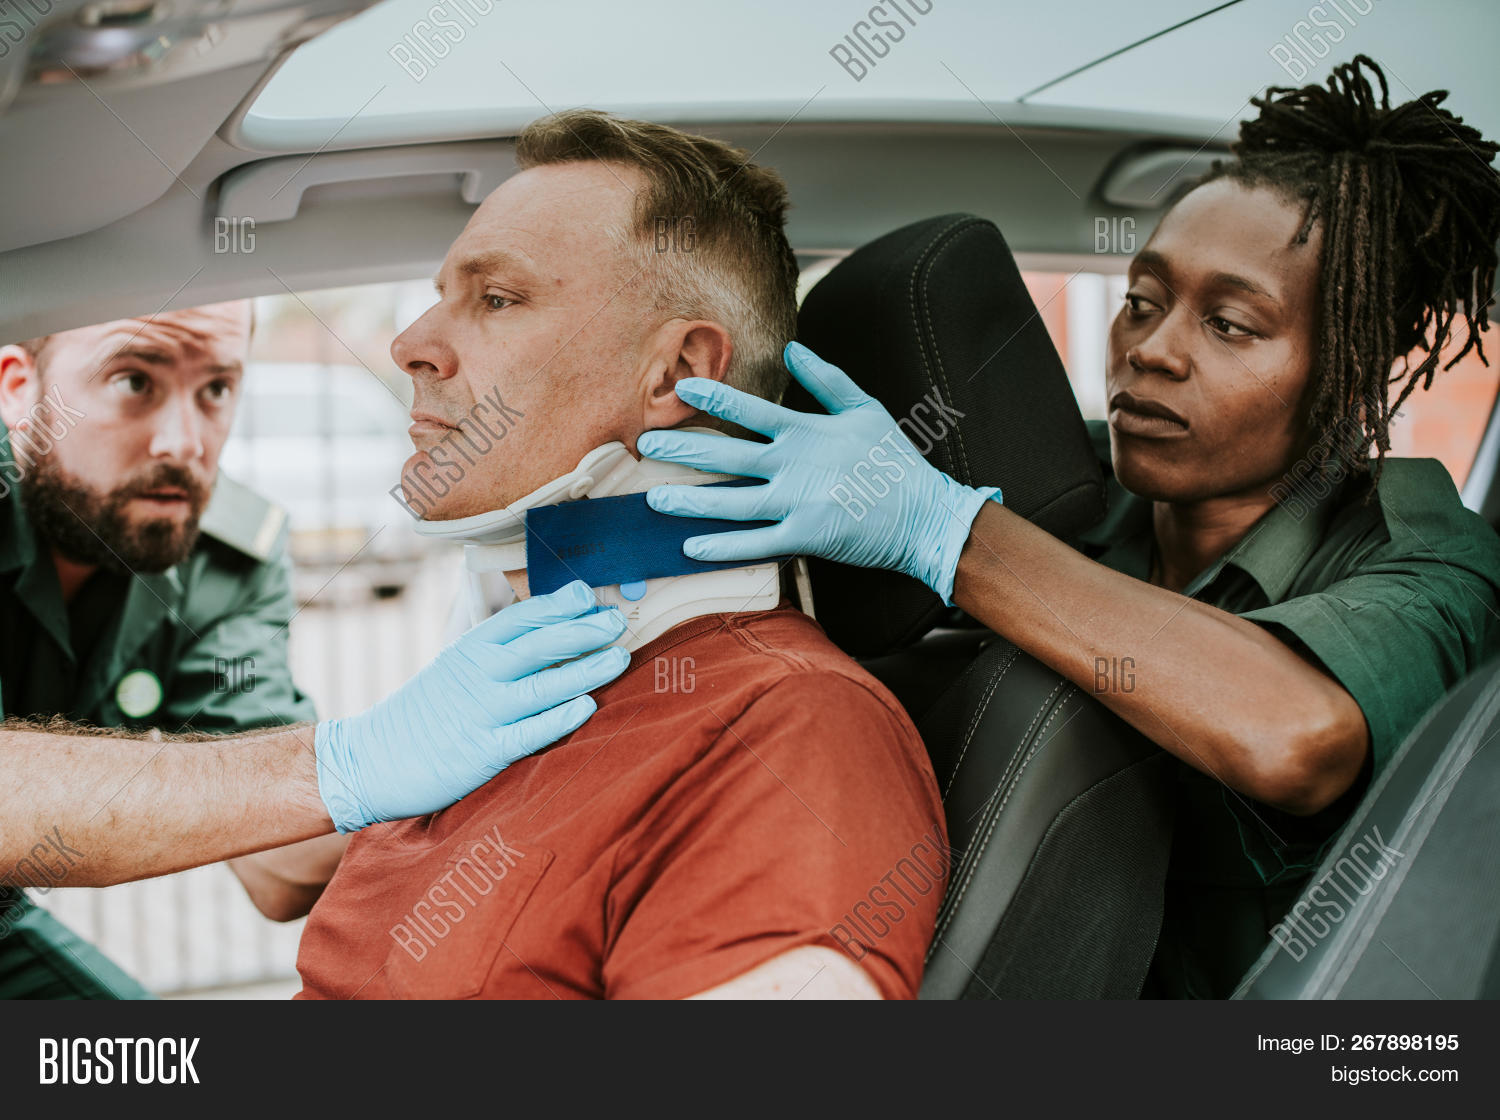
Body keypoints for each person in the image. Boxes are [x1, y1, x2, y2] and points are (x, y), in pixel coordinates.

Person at [639, 56, 1500, 997]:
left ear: (1352, 367)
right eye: (1142, 300)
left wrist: (946, 532)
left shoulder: (1436, 566)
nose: (1151, 351)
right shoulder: (1062, 485)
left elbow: (1297, 736)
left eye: (1231, 325)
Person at [276, 109, 948, 1000]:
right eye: (440, 295)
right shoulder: (493, 686)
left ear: (675, 374)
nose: (411, 347)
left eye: (496, 299)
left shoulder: (791, 733)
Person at [0, 304, 628, 997]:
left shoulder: (218, 560)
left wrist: (516, 792)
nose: (184, 442)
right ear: (17, 388)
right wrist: (351, 759)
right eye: (133, 382)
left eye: (215, 388)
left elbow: (281, 867)